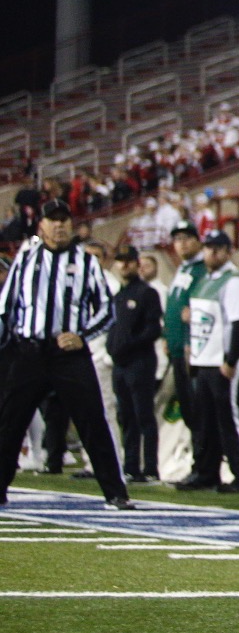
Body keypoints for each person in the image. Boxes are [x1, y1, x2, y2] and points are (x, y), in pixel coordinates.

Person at [0, 200, 135, 510]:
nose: (59, 225)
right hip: (29, 350)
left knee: (92, 420)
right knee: (9, 421)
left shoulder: (86, 262)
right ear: (42, 225)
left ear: (72, 225)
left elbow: (107, 309)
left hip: (69, 354)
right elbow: (7, 305)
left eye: (64, 219)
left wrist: (82, 335)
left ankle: (115, 492)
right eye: (53, 219)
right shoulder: (26, 259)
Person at [181, 230, 239, 493]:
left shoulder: (233, 282)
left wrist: (231, 360)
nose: (212, 252)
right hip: (207, 358)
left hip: (225, 359)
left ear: (228, 251)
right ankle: (206, 472)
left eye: (218, 248)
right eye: (208, 247)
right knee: (206, 420)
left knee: (229, 418)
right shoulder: (206, 280)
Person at [106, 246, 163, 485]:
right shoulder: (119, 295)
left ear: (137, 264)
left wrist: (128, 345)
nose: (124, 265)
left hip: (140, 361)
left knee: (143, 415)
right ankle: (130, 466)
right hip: (120, 363)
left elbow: (153, 329)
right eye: (120, 261)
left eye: (128, 261)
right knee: (126, 416)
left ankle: (150, 468)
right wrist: (113, 347)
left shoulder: (146, 293)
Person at [161, 223, 209, 481]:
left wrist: (190, 343)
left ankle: (203, 466)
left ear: (198, 241)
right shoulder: (183, 269)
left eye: (187, 238)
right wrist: (168, 337)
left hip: (193, 351)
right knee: (189, 410)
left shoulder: (202, 270)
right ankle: (198, 463)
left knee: (198, 410)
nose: (182, 244)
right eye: (177, 239)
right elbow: (174, 309)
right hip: (177, 350)